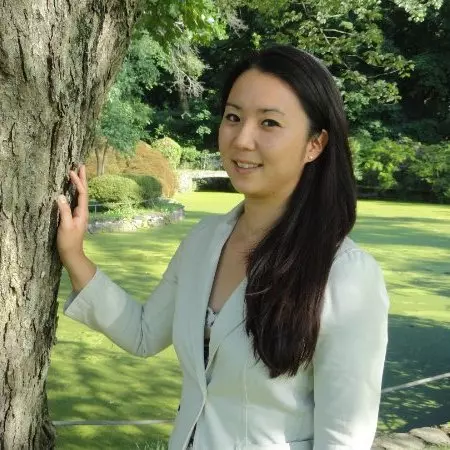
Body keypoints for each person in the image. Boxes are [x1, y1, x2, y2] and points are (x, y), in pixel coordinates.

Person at [57, 45, 389, 450]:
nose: (241, 139)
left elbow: (344, 439)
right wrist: (75, 255)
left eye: (269, 123)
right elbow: (143, 334)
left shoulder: (346, 276)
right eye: (233, 117)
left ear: (315, 144)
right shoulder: (205, 240)